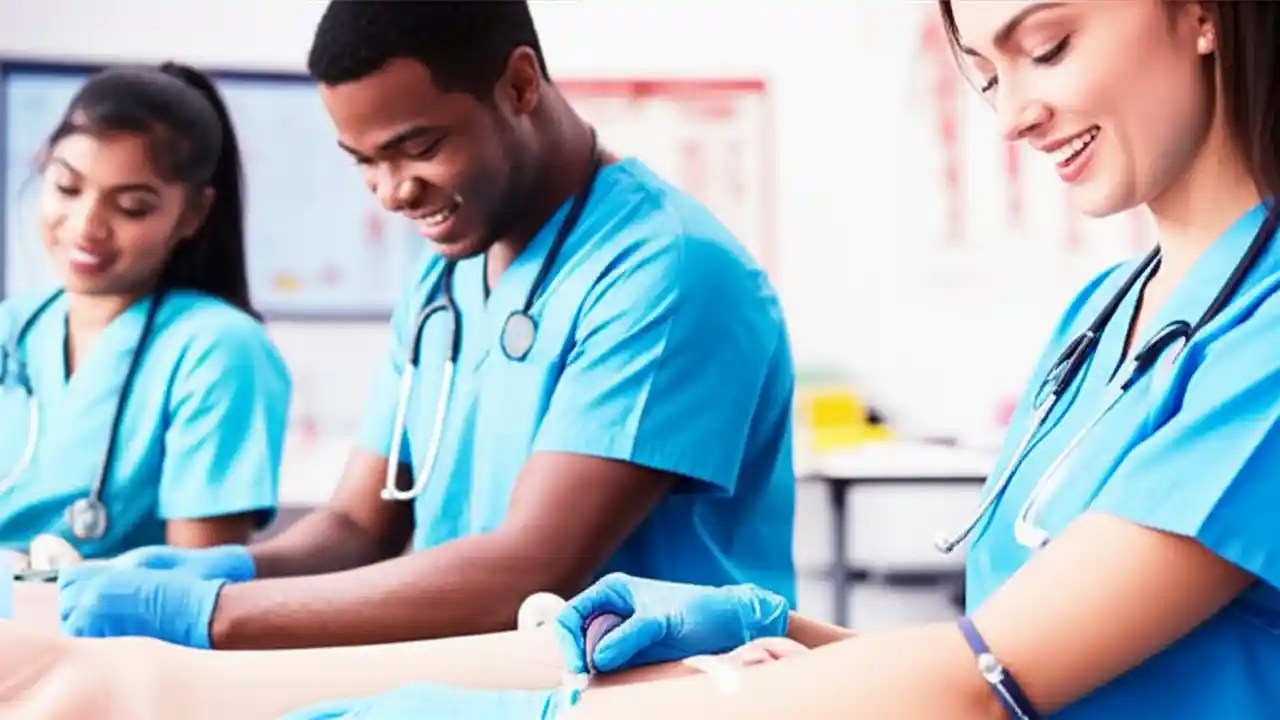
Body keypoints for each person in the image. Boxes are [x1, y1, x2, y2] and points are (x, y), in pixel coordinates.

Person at [265, 0, 1280, 717]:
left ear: (1197, 11)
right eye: (982, 75)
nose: (1010, 115)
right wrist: (771, 631)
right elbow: (993, 656)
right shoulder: (1096, 318)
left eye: (1046, 46)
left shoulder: (1264, 335)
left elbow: (984, 685)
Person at [56, 0, 797, 651]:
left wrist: (214, 614)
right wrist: (238, 566)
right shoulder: (447, 272)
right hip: (478, 678)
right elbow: (358, 523)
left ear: (519, 84)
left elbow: (530, 570)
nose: (391, 192)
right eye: (363, 162)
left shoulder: (667, 269)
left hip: (655, 692)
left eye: (418, 148)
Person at [0, 63, 290, 569]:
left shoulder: (218, 350)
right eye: (67, 188)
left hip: (102, 645)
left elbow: (195, 587)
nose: (87, 226)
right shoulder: (13, 328)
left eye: (132, 207)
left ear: (193, 215)